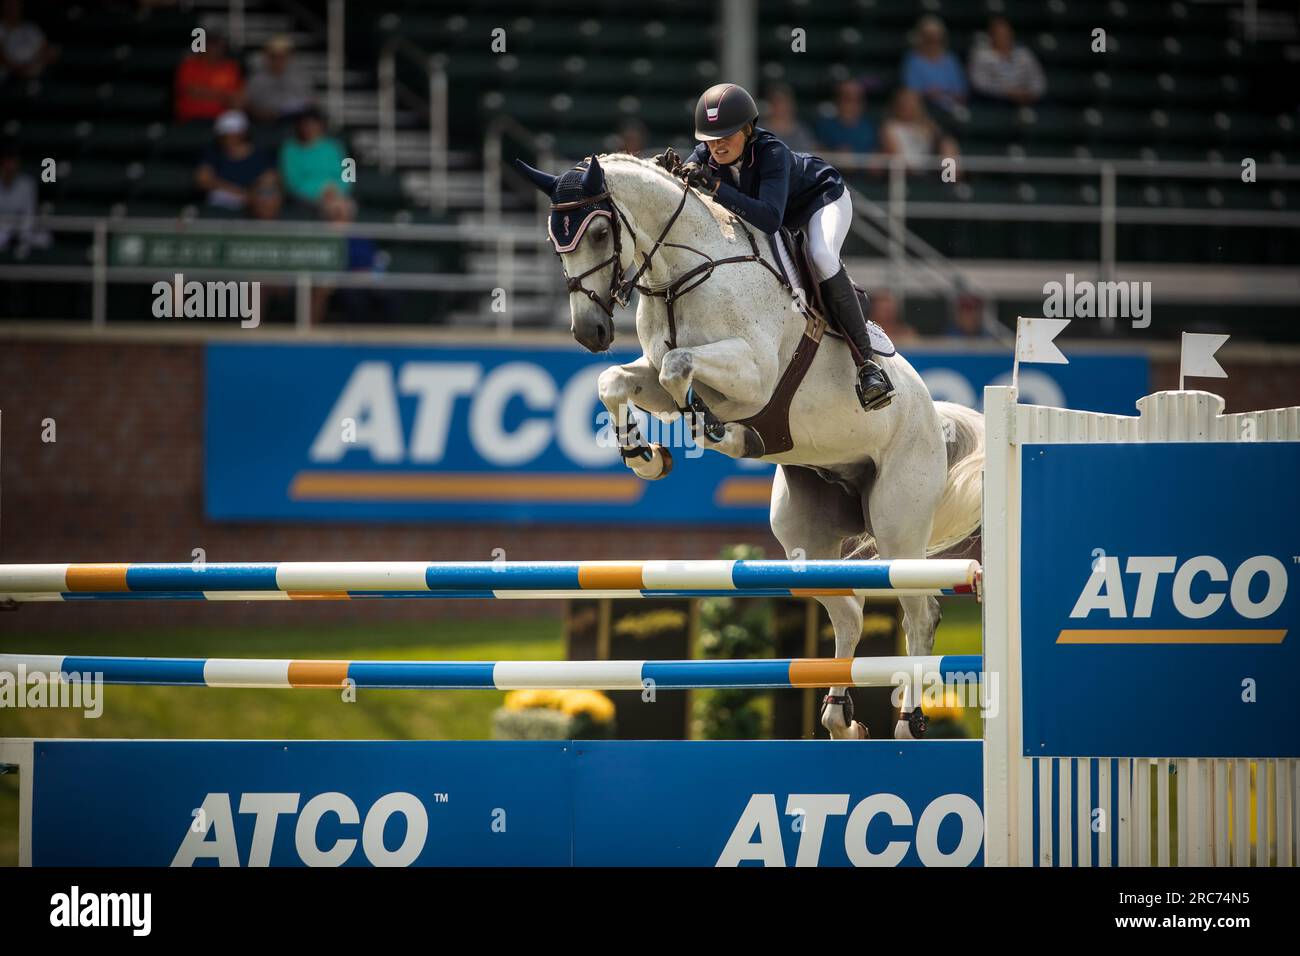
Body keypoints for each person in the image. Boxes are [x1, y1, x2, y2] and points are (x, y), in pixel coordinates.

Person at [662, 82, 893, 411]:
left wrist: (715, 187)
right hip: (779, 216)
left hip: (820, 199)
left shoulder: (772, 152)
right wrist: (667, 173)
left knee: (823, 257)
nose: (717, 145)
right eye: (710, 138)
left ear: (748, 129)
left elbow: (769, 219)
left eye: (727, 135)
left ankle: (868, 366)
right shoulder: (706, 155)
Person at [194, 110, 277, 210]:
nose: (229, 139)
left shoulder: (260, 155)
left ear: (243, 133)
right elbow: (203, 179)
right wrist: (235, 191)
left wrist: (251, 195)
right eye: (224, 135)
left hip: (254, 202)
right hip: (223, 201)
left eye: (234, 134)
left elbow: (270, 179)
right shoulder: (213, 153)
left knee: (268, 196)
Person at [279, 105, 350, 209]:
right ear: (299, 126)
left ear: (321, 125)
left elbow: (349, 174)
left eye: (313, 124)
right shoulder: (289, 149)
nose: (309, 128)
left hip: (337, 195)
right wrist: (319, 192)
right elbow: (291, 182)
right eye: (306, 124)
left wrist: (337, 191)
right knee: (336, 208)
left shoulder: (336, 146)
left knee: (342, 207)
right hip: (306, 198)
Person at [968, 16, 1046, 105]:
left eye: (1006, 33)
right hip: (994, 102)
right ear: (991, 36)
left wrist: (1028, 93)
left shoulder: (1024, 54)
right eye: (999, 33)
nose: (1004, 36)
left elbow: (1039, 81)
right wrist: (1008, 92)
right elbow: (979, 83)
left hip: (1026, 100)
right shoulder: (982, 55)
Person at [173, 28, 243, 122]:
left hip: (222, 121)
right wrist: (222, 96)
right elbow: (191, 91)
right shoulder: (189, 66)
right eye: (210, 43)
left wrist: (205, 92)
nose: (213, 48)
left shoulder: (231, 67)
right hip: (191, 118)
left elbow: (236, 97)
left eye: (217, 43)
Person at [901, 15, 967, 115]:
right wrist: (928, 94)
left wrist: (942, 94)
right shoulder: (913, 60)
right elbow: (911, 91)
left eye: (935, 37)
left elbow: (960, 91)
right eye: (928, 37)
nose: (932, 41)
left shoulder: (950, 59)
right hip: (924, 109)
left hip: (952, 108)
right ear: (921, 37)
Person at [880, 89, 959, 172]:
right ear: (897, 105)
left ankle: (951, 180)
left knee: (948, 145)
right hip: (905, 171)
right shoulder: (890, 126)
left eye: (912, 103)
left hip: (929, 169)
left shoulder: (927, 125)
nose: (908, 106)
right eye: (905, 103)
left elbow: (941, 143)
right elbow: (895, 154)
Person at [245, 34, 313, 123]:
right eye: (274, 56)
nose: (278, 61)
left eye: (283, 56)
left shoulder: (300, 77)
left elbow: (309, 103)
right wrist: (264, 113)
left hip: (295, 122)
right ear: (268, 57)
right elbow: (247, 104)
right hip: (264, 122)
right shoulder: (256, 78)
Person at [813, 79, 877, 155]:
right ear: (837, 100)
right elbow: (816, 154)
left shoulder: (869, 129)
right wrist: (835, 154)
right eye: (847, 98)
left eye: (857, 99)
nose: (852, 104)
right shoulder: (823, 126)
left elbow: (876, 158)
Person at [0, 0, 55, 83]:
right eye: (9, 5)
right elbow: (2, 57)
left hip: (36, 73)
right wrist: (19, 69)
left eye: (16, 5)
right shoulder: (2, 28)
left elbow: (46, 49)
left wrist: (34, 66)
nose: (13, 9)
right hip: (9, 76)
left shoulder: (31, 28)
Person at [0, 137, 39, 253]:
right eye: (7, 162)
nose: (10, 166)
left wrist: (20, 233)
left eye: (13, 162)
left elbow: (29, 215)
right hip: (1, 231)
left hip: (21, 232)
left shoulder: (27, 185)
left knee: (41, 240)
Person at [763, 83, 817, 154]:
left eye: (783, 101)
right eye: (775, 101)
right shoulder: (760, 131)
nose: (779, 105)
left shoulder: (802, 132)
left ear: (791, 105)